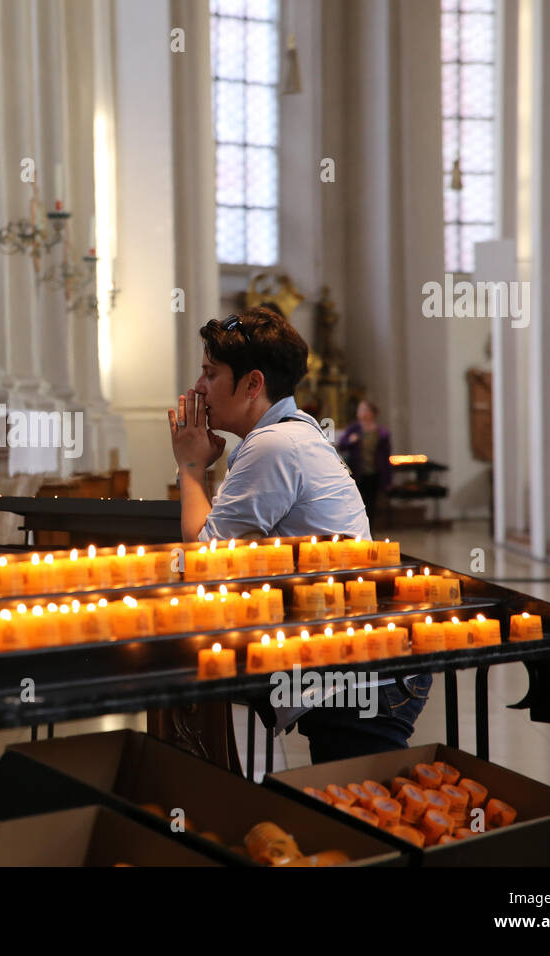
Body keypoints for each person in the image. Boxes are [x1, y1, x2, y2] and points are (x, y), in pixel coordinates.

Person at [168, 307, 430, 763]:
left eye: (210, 374)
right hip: (364, 663)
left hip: (360, 673)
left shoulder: (275, 445)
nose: (198, 388)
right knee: (357, 808)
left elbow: (204, 561)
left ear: (253, 384)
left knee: (368, 819)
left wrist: (190, 469)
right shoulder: (289, 434)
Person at [337, 400, 392, 531]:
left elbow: (385, 457)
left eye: (365, 410)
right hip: (357, 473)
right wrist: (351, 441)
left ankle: (369, 531)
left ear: (372, 413)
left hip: (374, 473)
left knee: (371, 505)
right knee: (356, 504)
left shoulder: (381, 433)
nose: (362, 413)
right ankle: (358, 532)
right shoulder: (354, 429)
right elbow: (341, 445)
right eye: (360, 410)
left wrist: (388, 479)